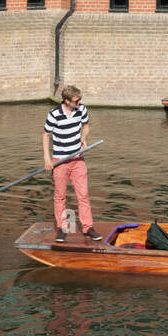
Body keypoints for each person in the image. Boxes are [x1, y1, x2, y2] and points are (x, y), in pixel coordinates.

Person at [42, 85, 101, 243]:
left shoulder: (81, 109)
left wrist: (83, 137)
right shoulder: (54, 115)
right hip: (60, 161)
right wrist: (47, 159)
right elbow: (46, 135)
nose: (79, 103)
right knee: (60, 197)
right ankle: (61, 228)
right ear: (66, 101)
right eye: (76, 101)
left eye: (80, 100)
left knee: (83, 195)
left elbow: (86, 126)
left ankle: (88, 228)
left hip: (77, 159)